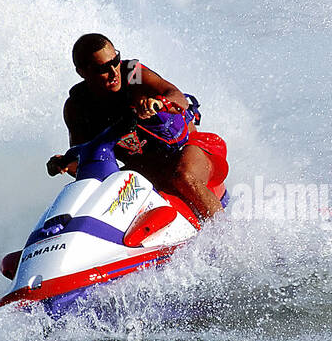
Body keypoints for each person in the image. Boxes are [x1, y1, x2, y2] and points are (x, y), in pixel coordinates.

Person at [46, 33, 227, 220]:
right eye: (103, 68)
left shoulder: (133, 74)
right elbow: (86, 165)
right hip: (147, 168)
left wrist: (159, 103)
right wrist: (65, 164)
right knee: (106, 196)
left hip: (190, 150)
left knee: (183, 177)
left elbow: (178, 97)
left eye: (115, 61)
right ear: (83, 72)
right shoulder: (77, 107)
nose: (114, 72)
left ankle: (227, 237)